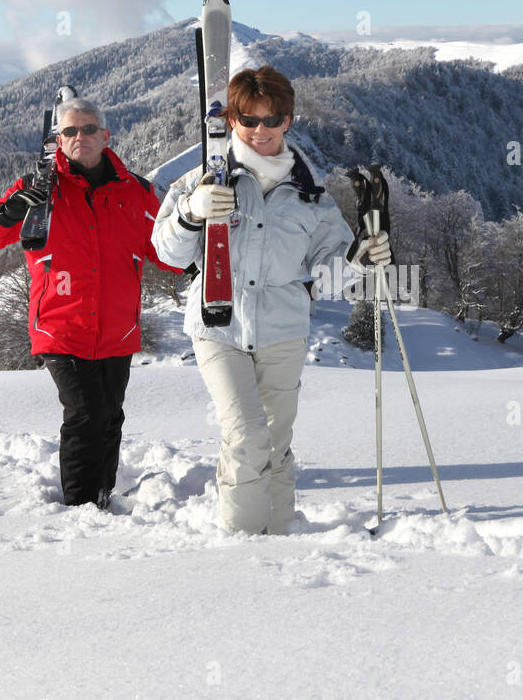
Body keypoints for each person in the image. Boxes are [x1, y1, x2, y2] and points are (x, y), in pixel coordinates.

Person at [152, 66, 391, 535]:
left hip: (283, 331)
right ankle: (244, 548)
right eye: (249, 119)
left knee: (276, 441)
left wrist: (362, 259)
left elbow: (328, 273)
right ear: (232, 121)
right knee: (246, 436)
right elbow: (165, 251)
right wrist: (190, 213)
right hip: (218, 325)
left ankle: (280, 537)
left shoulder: (310, 197)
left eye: (273, 119)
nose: (261, 130)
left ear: (288, 121)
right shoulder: (203, 179)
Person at [0, 96, 178, 508]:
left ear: (105, 135)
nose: (79, 137)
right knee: (85, 415)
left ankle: (103, 495)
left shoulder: (135, 191)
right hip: (60, 326)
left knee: (110, 417)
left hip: (118, 328)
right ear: (57, 141)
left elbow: (168, 252)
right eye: (70, 131)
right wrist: (10, 211)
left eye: (87, 129)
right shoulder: (39, 190)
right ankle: (80, 508)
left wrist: (201, 246)